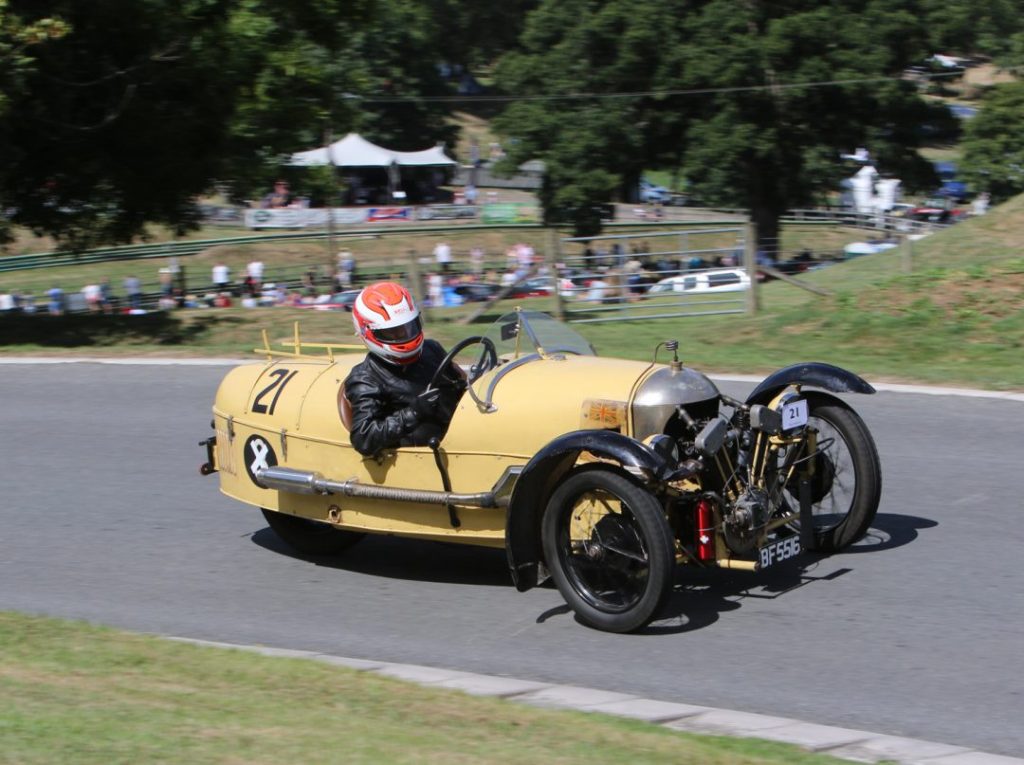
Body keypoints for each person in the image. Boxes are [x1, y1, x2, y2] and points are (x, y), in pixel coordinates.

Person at [343, 281, 464, 457]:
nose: (405, 336)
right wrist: (413, 413)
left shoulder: (432, 349)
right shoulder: (365, 377)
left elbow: (461, 385)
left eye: (409, 327)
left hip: (462, 437)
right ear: (368, 332)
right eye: (393, 332)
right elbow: (363, 438)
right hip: (423, 459)